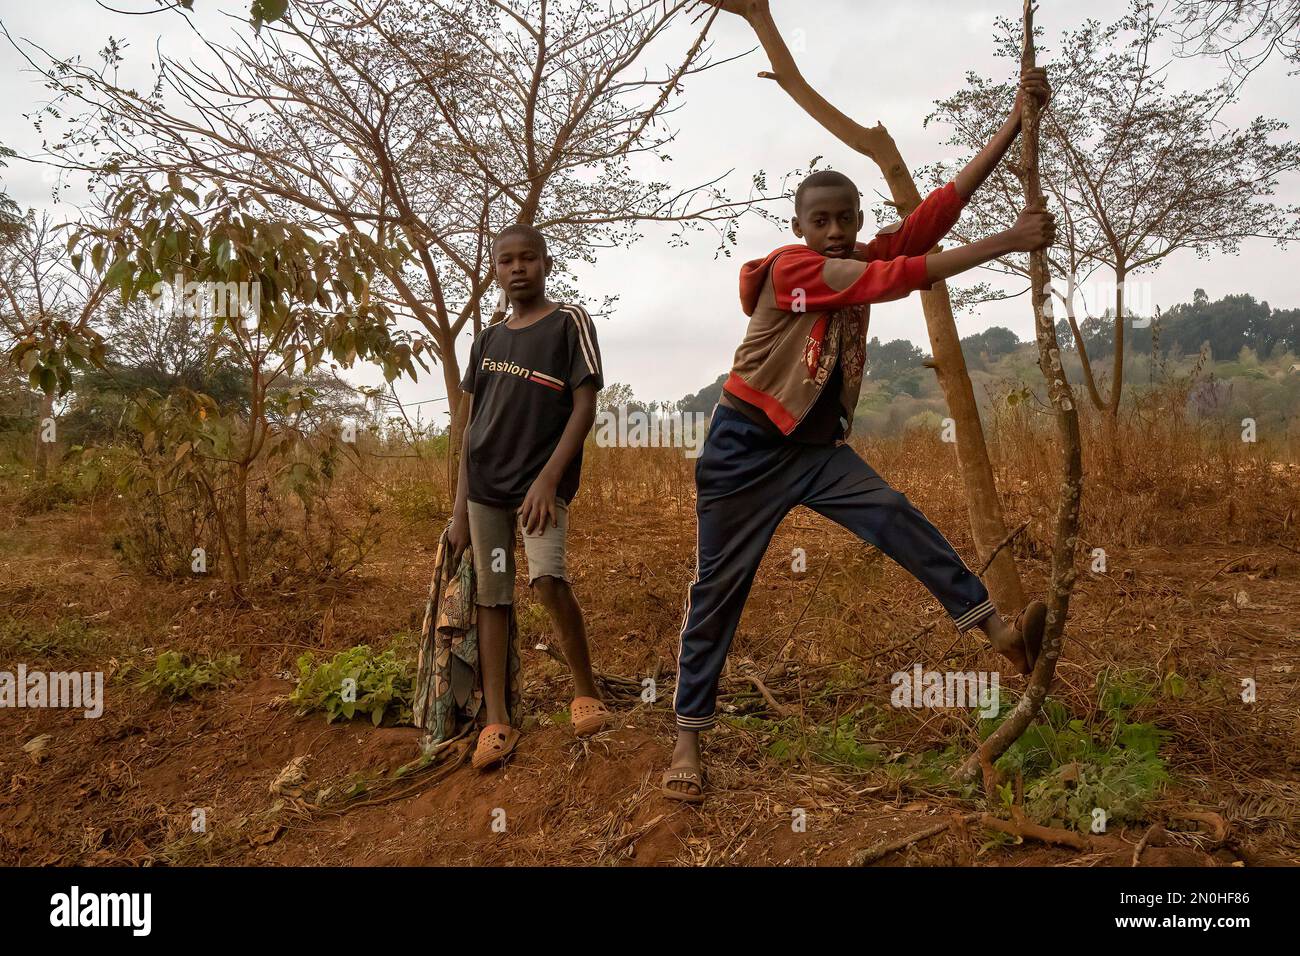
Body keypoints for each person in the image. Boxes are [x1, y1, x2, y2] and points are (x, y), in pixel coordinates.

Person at [662, 68, 1055, 802]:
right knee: (719, 590)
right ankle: (688, 737)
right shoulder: (794, 272)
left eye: (847, 218)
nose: (837, 231)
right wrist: (1007, 241)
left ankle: (998, 632)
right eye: (822, 221)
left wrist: (1011, 124)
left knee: (894, 516)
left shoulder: (852, 259)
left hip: (813, 453)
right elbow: (893, 278)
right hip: (743, 452)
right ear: (800, 228)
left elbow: (930, 218)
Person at [449, 223, 610, 771]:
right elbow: (472, 427)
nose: (517, 268)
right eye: (506, 261)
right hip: (486, 489)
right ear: (495, 269)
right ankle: (497, 720)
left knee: (547, 579)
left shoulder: (569, 322)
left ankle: (585, 691)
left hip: (539, 486)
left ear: (545, 263)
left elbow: (584, 407)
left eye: (528, 259)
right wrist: (458, 512)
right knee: (492, 598)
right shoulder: (489, 339)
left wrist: (547, 479)